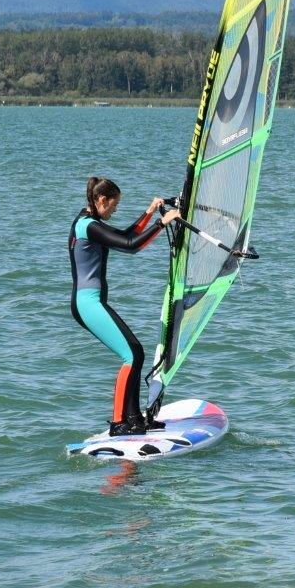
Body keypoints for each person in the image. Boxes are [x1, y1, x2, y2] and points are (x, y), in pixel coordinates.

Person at [69, 176, 180, 436]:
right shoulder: (87, 226)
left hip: (92, 302)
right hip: (87, 304)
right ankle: (119, 422)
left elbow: (125, 236)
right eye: (114, 206)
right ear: (101, 200)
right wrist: (161, 224)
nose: (115, 210)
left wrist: (150, 213)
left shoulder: (91, 222)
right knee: (132, 354)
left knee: (136, 353)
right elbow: (131, 246)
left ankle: (134, 418)